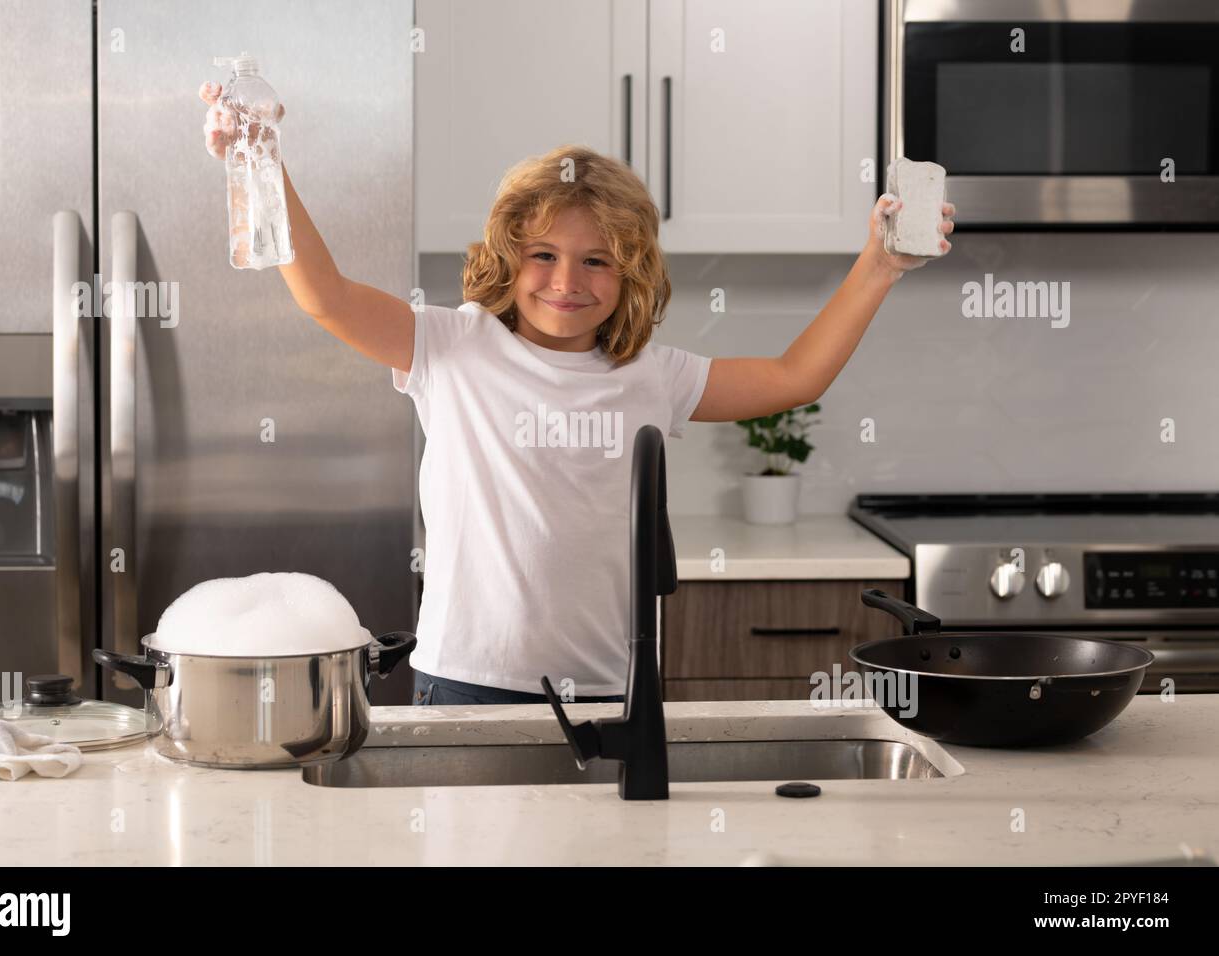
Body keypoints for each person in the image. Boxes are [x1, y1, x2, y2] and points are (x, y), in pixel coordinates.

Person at [199, 81, 955, 707]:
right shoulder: (453, 347)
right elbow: (326, 297)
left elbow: (795, 377)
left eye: (597, 261)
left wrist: (879, 266)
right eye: (544, 255)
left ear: (630, 274)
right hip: (467, 679)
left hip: (608, 690)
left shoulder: (652, 374)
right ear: (508, 254)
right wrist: (261, 161)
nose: (566, 282)